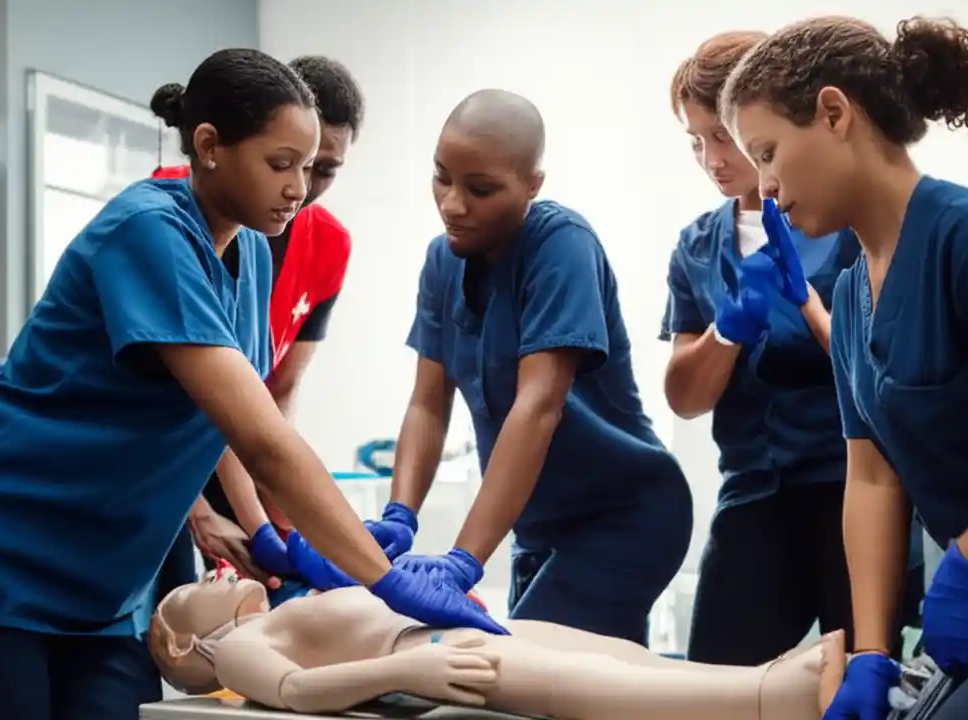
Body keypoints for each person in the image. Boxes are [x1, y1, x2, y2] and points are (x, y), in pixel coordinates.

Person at [0, 49, 504, 720]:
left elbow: (230, 417)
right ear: (209, 146)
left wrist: (274, 536)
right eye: (281, 164)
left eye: (311, 167)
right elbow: (267, 445)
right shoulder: (149, 232)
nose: (298, 189)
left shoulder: (249, 250)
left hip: (97, 589)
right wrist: (386, 578)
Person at [722, 15, 968, 719]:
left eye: (768, 152)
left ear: (834, 113)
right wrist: (872, 651)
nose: (766, 188)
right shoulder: (852, 296)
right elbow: (872, 476)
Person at [293, 89, 694, 646]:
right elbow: (428, 403)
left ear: (533, 184)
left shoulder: (562, 246)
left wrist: (463, 560)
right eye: (441, 177)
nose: (452, 204)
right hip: (538, 525)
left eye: (480, 190)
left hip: (625, 514)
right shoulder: (443, 259)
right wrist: (400, 515)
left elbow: (538, 408)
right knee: (568, 679)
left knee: (525, 668)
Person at [662, 32, 922, 665]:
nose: (710, 159)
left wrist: (806, 303)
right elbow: (685, 398)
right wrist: (727, 330)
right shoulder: (698, 246)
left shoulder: (845, 222)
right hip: (754, 493)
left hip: (853, 485)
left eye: (722, 136)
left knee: (863, 669)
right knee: (715, 681)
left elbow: (886, 373)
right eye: (694, 142)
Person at [154, 55, 366, 606]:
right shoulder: (170, 218)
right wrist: (204, 512)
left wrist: (280, 520)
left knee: (276, 599)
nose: (303, 187)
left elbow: (276, 392)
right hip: (162, 458)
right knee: (174, 615)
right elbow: (210, 398)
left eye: (323, 169)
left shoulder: (312, 244)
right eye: (286, 163)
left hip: (244, 450)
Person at [150, 565, 850, 720]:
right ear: (183, 645)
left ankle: (759, 676)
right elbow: (296, 690)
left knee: (619, 655)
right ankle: (769, 697)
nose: (213, 572)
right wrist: (407, 672)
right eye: (191, 589)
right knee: (569, 682)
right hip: (426, 652)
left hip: (444, 631)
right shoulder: (235, 648)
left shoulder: (282, 610)